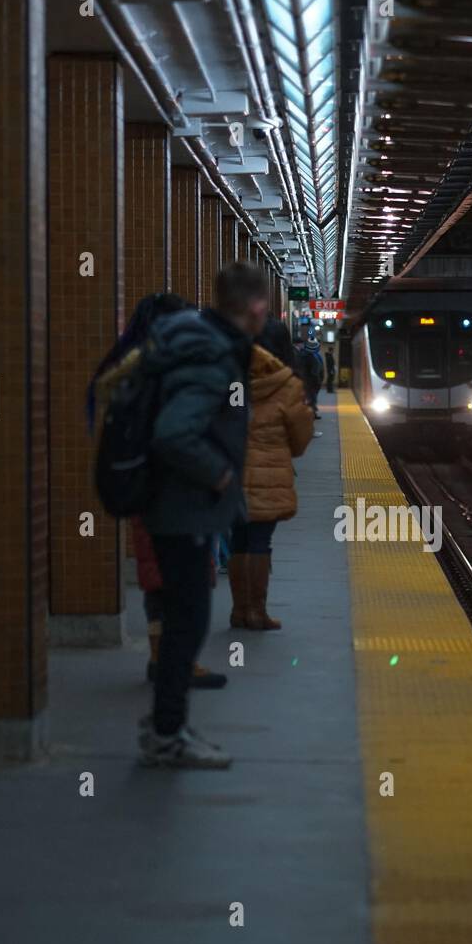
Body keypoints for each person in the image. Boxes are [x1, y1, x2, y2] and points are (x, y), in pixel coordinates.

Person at [137, 262, 268, 768]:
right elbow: (174, 432)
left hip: (175, 507)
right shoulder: (211, 353)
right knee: (187, 622)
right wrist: (219, 476)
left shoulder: (194, 340)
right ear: (255, 308)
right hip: (184, 509)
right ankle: (168, 732)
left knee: (183, 620)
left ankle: (167, 726)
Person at [89, 292, 227, 692]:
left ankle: (160, 657)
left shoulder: (132, 367)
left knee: (157, 580)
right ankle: (177, 667)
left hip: (146, 494)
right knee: (185, 588)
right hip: (176, 496)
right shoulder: (167, 372)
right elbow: (178, 437)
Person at [228, 343, 314, 630]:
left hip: (233, 475)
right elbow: (301, 439)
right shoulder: (287, 387)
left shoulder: (226, 380)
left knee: (238, 540)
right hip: (270, 479)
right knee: (260, 542)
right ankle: (257, 612)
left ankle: (239, 611)